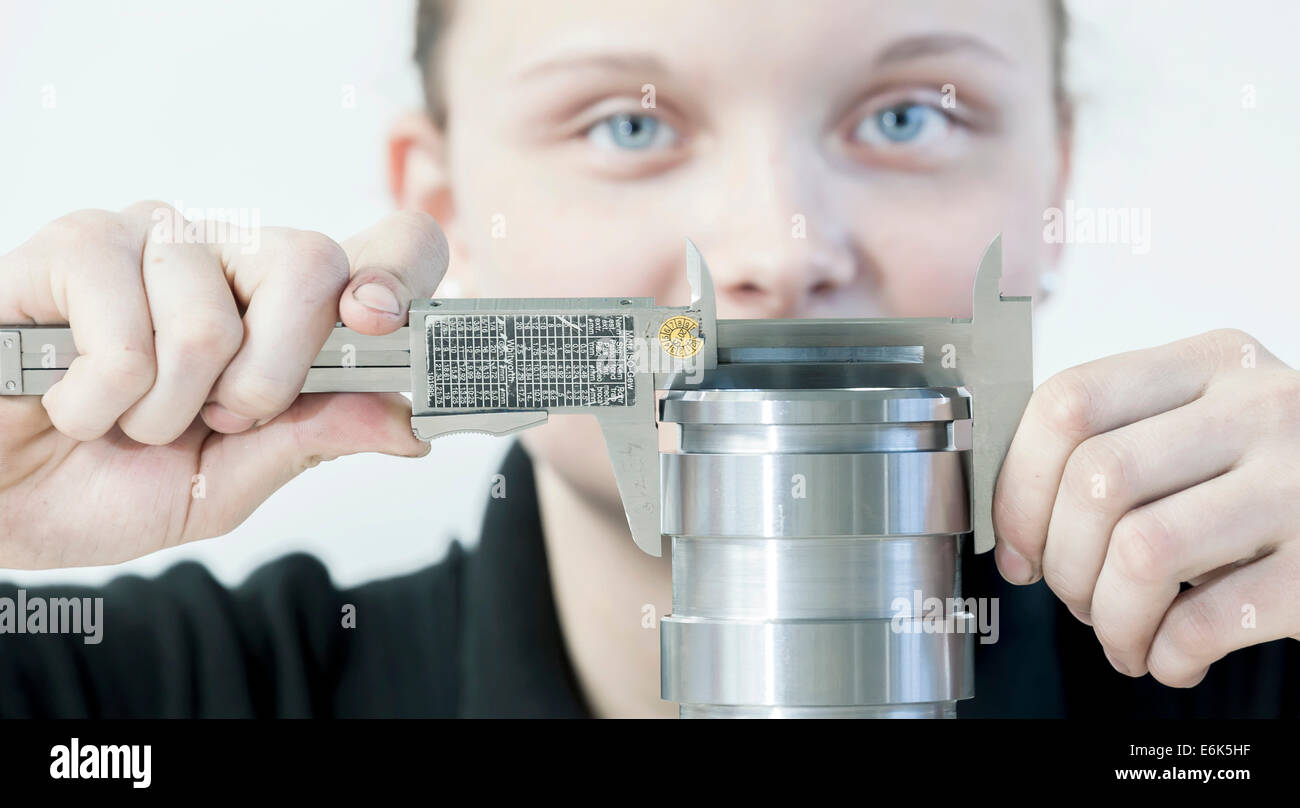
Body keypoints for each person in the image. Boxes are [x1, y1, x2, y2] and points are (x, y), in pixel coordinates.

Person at [1, 0, 1296, 718]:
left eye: (910, 114)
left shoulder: (1247, 674)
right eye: (628, 123)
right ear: (447, 202)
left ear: (1054, 183)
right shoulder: (141, 701)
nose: (780, 251)